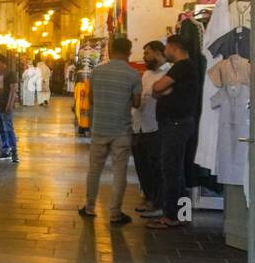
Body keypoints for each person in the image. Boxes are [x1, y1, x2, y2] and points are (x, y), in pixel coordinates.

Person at [78, 36, 142, 225]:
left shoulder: (97, 71)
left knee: (94, 169)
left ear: (111, 50)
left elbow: (90, 99)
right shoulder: (133, 74)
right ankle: (115, 212)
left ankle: (89, 207)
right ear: (129, 52)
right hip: (121, 129)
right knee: (119, 171)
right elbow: (137, 103)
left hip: (99, 127)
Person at [148, 34, 200, 229]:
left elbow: (157, 87)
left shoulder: (182, 66)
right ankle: (182, 214)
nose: (165, 52)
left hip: (175, 124)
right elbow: (158, 91)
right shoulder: (189, 66)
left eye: (166, 48)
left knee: (171, 168)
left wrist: (162, 90)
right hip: (180, 123)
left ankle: (170, 216)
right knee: (178, 169)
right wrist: (162, 91)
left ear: (174, 48)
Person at [132, 41, 170, 218]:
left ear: (157, 53)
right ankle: (148, 197)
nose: (144, 57)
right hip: (139, 125)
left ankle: (158, 202)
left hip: (155, 126)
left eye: (147, 53)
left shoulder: (168, 73)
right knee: (142, 164)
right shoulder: (147, 74)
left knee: (156, 165)